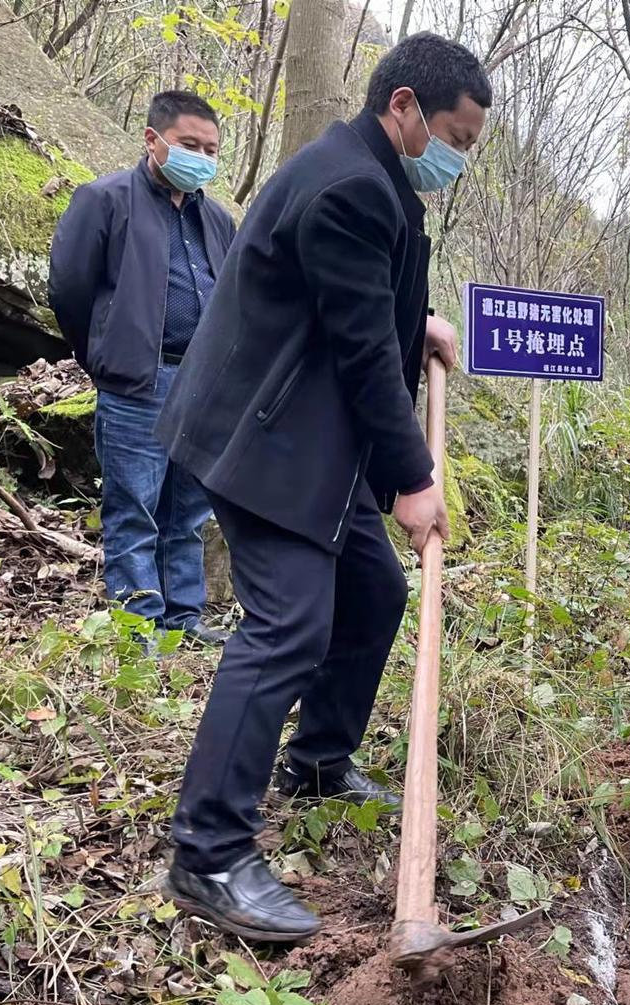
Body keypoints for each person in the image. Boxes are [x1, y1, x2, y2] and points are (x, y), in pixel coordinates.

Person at [153, 33, 491, 942]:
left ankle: (315, 762)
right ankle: (209, 852)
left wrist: (412, 319)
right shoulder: (350, 185)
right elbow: (356, 356)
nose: (456, 155)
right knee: (288, 623)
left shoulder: (362, 175)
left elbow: (353, 305)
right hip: (263, 434)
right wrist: (412, 480)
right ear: (406, 105)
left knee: (374, 590)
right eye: (455, 132)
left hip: (298, 431)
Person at [48, 91, 236, 646]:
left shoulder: (216, 218)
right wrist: (107, 356)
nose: (201, 157)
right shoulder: (107, 199)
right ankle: (137, 627)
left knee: (189, 511)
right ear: (153, 140)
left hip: (202, 386)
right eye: (188, 145)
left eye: (211, 148)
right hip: (138, 381)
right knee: (133, 507)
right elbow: (70, 289)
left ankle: (183, 618)